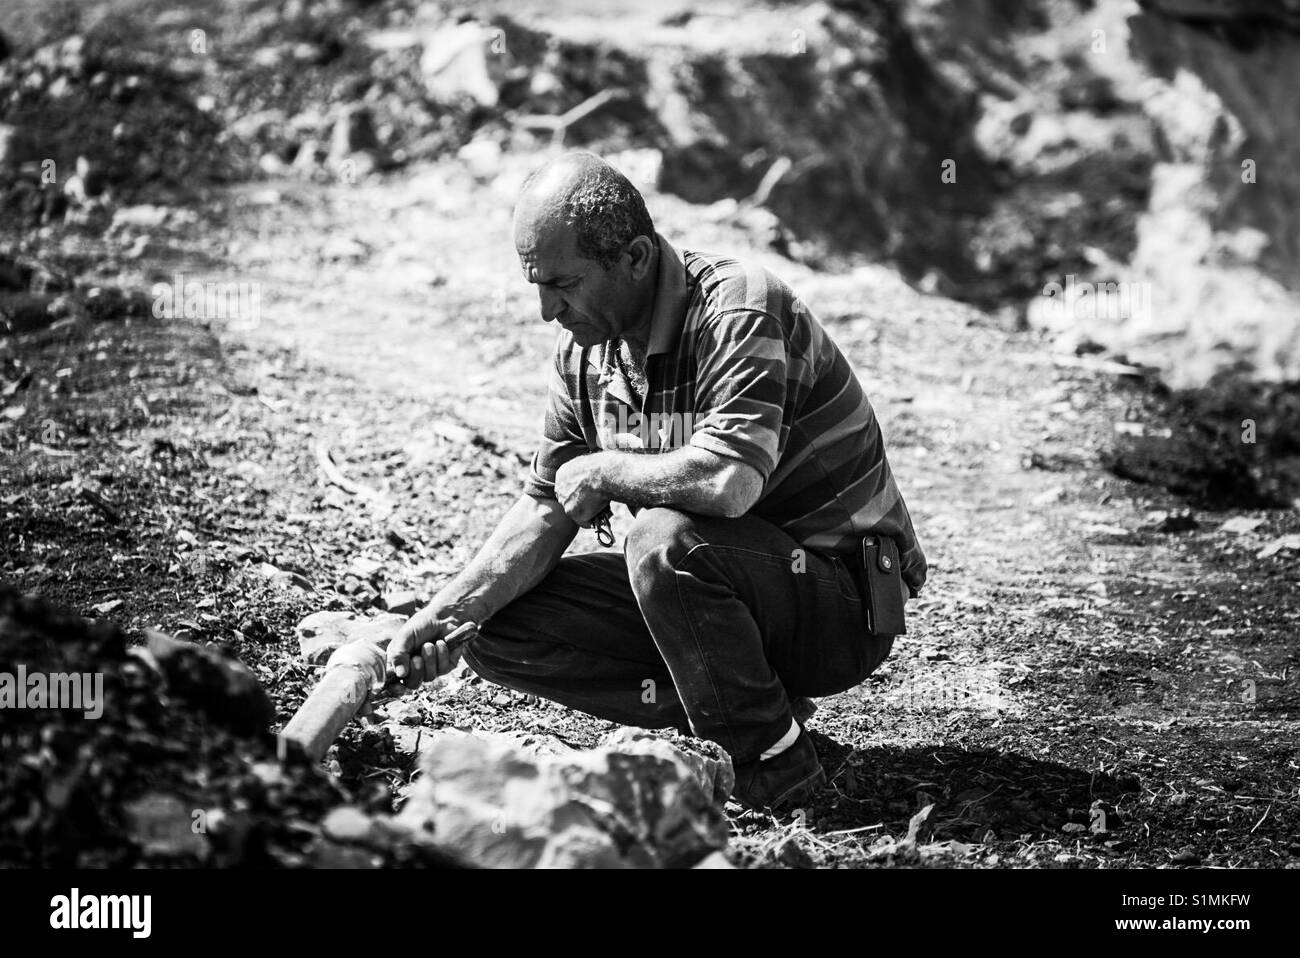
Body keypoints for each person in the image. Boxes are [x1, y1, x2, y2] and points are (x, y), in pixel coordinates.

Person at [388, 151, 926, 811]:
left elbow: (731, 480)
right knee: (497, 627)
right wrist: (443, 619)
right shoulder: (587, 351)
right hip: (733, 594)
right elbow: (544, 507)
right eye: (536, 284)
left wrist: (607, 470)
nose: (546, 310)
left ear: (637, 258)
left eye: (563, 284)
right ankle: (749, 714)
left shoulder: (736, 308)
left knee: (661, 540)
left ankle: (772, 769)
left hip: (840, 605)